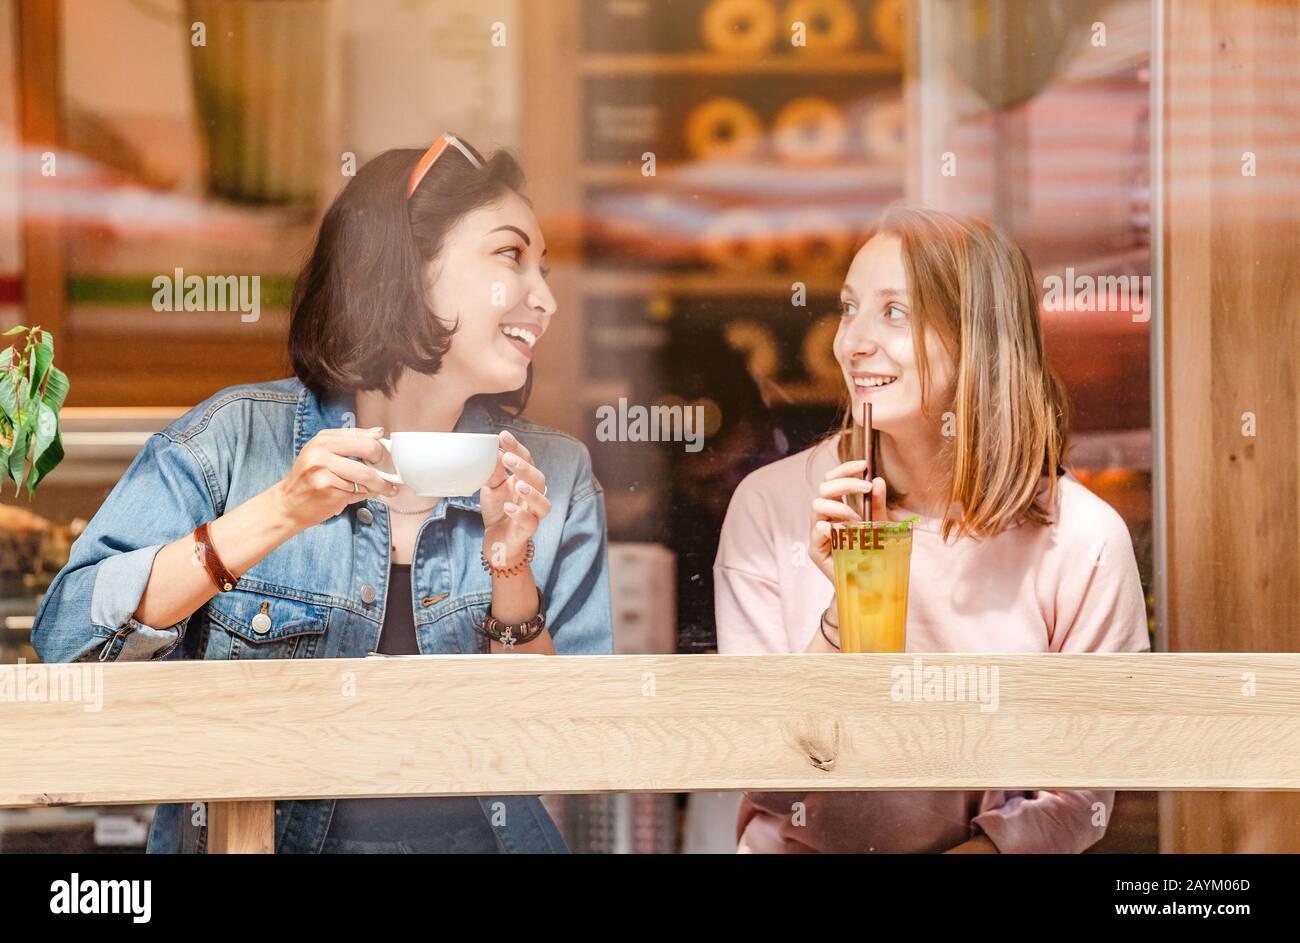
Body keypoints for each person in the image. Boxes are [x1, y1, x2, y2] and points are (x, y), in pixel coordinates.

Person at [32, 134, 613, 853]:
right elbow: (66, 645)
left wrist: (510, 570)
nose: (546, 299)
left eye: (545, 268)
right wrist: (279, 512)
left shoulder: (553, 473)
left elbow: (582, 745)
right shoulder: (232, 441)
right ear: (405, 266)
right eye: (510, 256)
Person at [713, 205, 1150, 853]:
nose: (851, 341)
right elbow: (767, 780)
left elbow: (1078, 804)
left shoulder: (1083, 540)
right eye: (849, 306)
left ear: (980, 339)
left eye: (894, 313)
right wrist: (841, 615)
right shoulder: (771, 508)